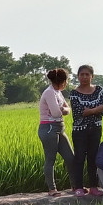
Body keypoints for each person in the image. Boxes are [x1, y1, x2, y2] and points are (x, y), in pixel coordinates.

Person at [68, 65, 103, 197]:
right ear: (78, 76)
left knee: (93, 157)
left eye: (87, 74)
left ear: (92, 76)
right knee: (79, 158)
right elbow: (78, 112)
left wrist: (90, 111)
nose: (84, 77)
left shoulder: (100, 90)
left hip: (96, 129)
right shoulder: (74, 93)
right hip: (79, 130)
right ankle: (78, 187)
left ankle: (93, 186)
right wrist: (97, 109)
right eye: (81, 74)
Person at [38, 68, 75, 197]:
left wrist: (63, 109)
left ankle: (75, 185)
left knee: (70, 157)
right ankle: (52, 189)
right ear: (63, 81)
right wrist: (63, 109)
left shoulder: (58, 92)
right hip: (48, 129)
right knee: (50, 159)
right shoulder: (49, 93)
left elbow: (67, 110)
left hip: (60, 128)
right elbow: (55, 113)